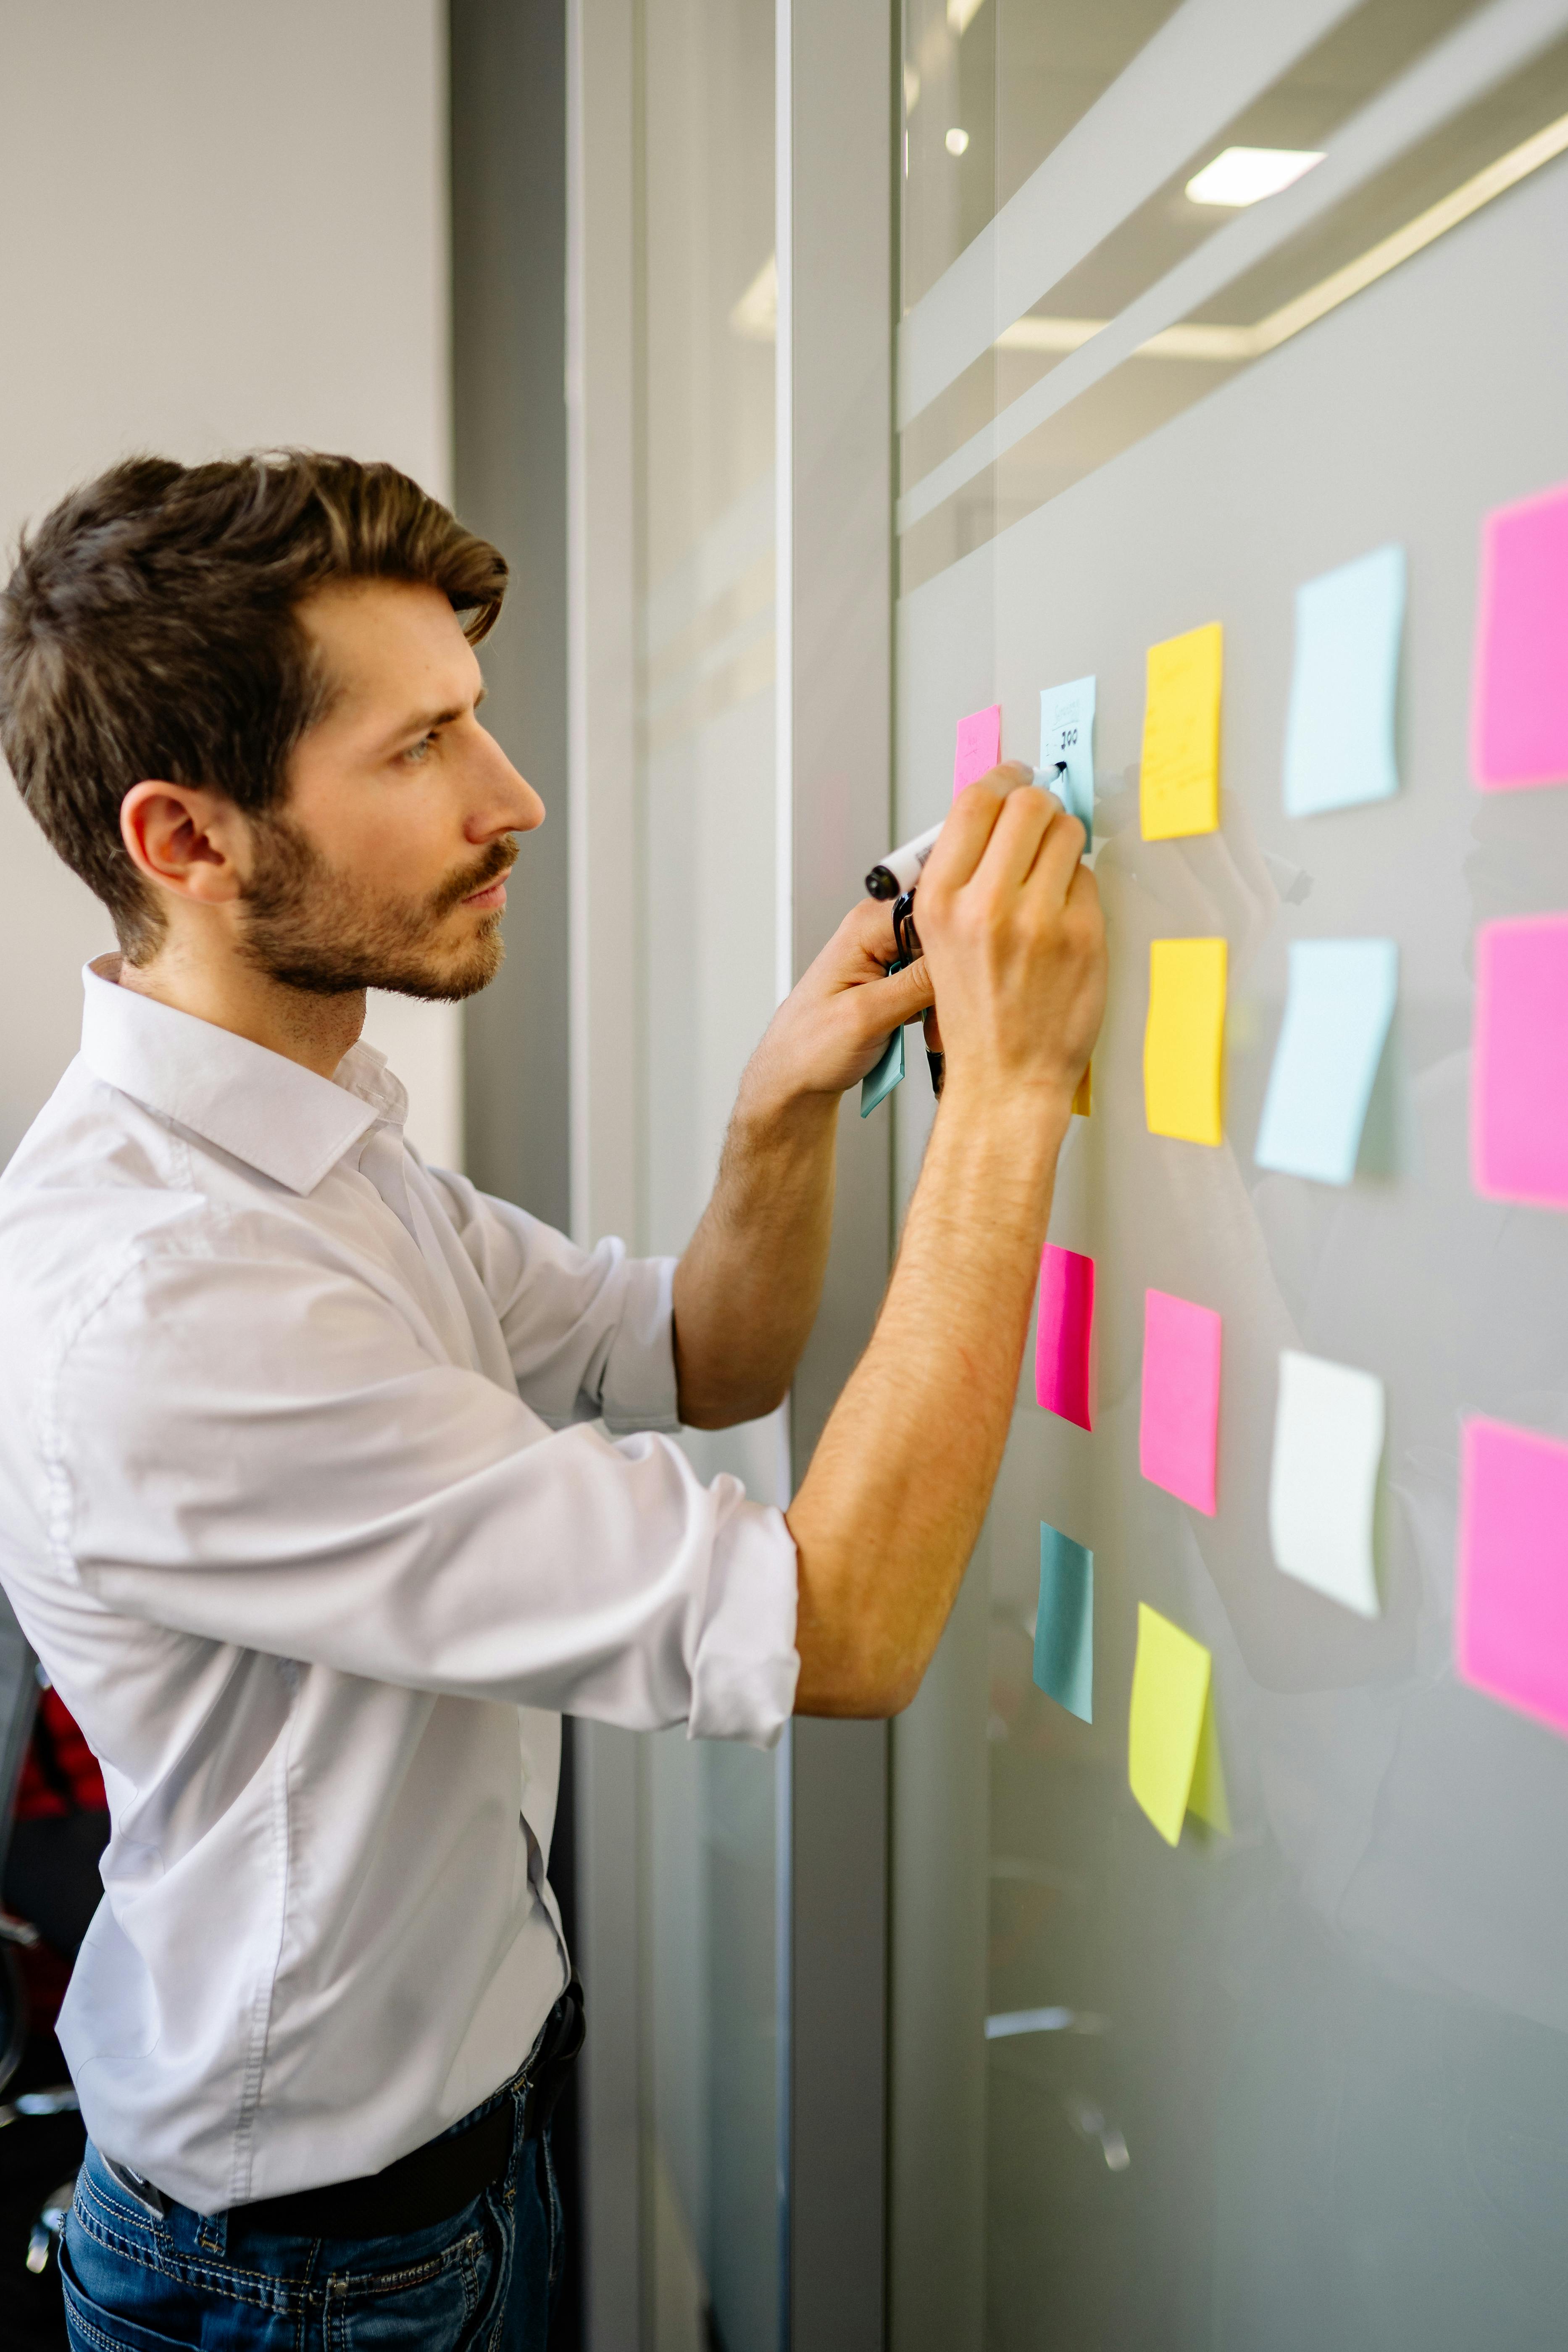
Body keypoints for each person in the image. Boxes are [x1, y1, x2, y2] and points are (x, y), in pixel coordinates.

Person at [0, 451, 1104, 2349]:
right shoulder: (173, 1303)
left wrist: (780, 1103)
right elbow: (841, 1625)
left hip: (449, 2170)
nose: (514, 798)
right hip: (300, 2280)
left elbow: (702, 1354)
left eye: (478, 719)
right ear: (186, 838)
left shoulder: (319, 1154)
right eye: (420, 745)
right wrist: (1012, 1104)